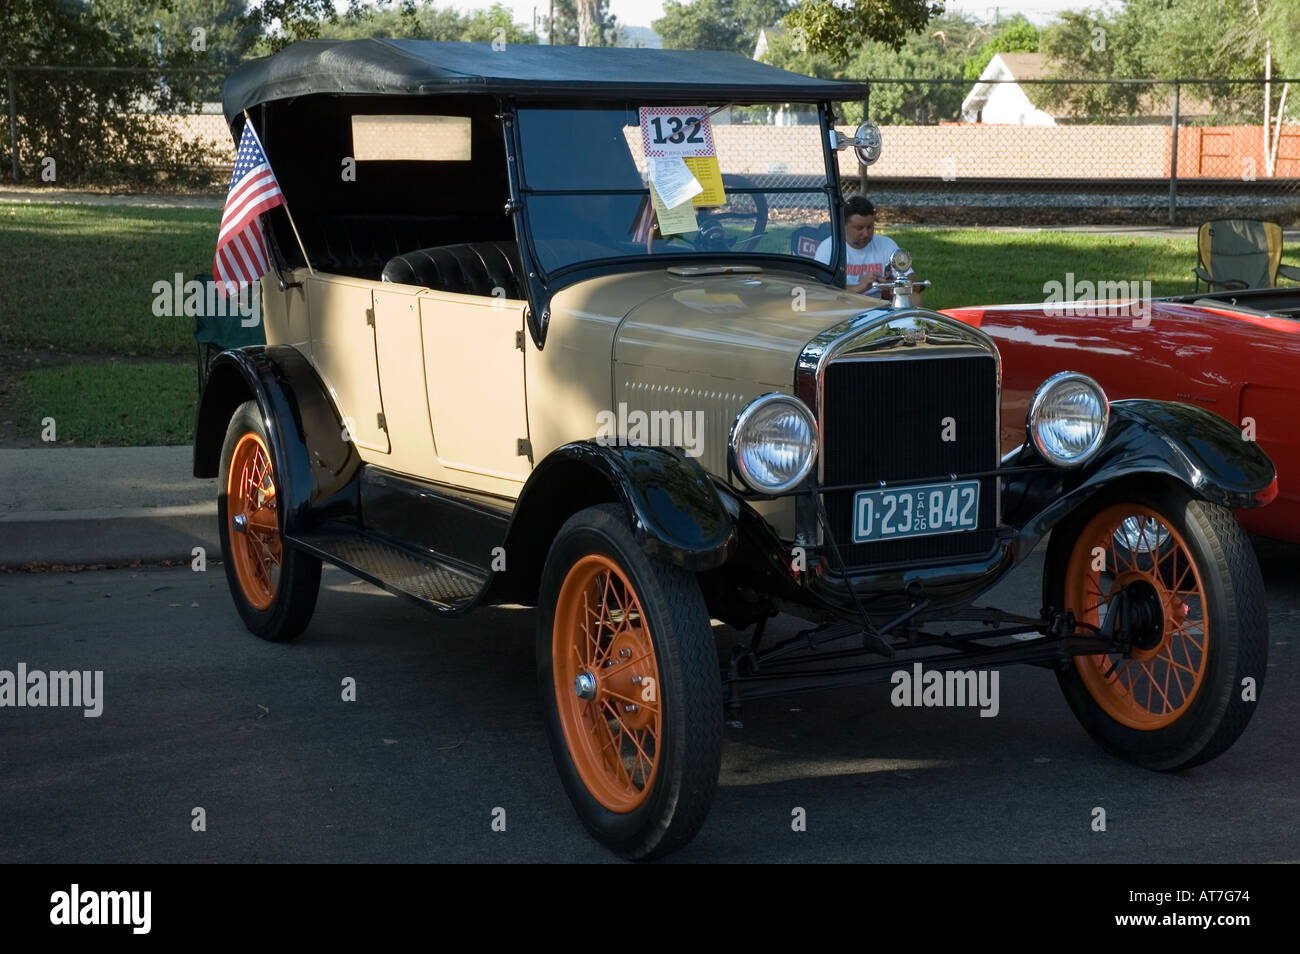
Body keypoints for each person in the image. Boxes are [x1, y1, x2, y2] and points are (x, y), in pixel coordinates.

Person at [814, 195, 920, 304]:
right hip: (842, 306)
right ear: (843, 226)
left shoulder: (886, 244)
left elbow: (913, 283)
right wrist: (860, 287)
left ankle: (914, 321)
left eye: (870, 227)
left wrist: (893, 284)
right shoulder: (829, 248)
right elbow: (821, 290)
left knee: (914, 297)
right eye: (859, 228)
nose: (866, 234)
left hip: (879, 306)